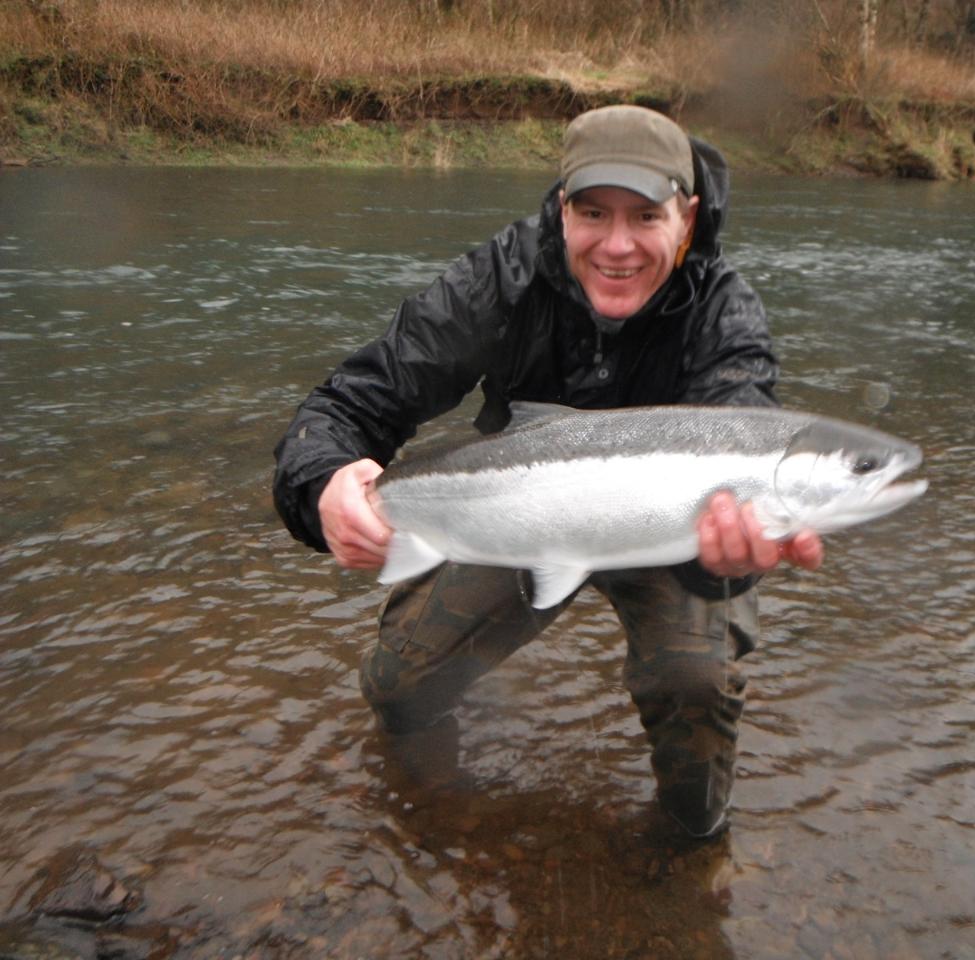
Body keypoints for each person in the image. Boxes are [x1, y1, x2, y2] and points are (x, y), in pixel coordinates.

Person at [272, 105, 823, 839]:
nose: (617, 246)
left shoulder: (725, 314)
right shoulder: (499, 279)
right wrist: (324, 482)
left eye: (645, 217)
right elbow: (352, 402)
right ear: (563, 210)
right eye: (593, 214)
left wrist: (728, 559)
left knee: (693, 685)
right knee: (400, 687)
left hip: (671, 533)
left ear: (686, 218)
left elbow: (749, 453)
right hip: (519, 510)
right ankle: (420, 811)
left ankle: (690, 844)